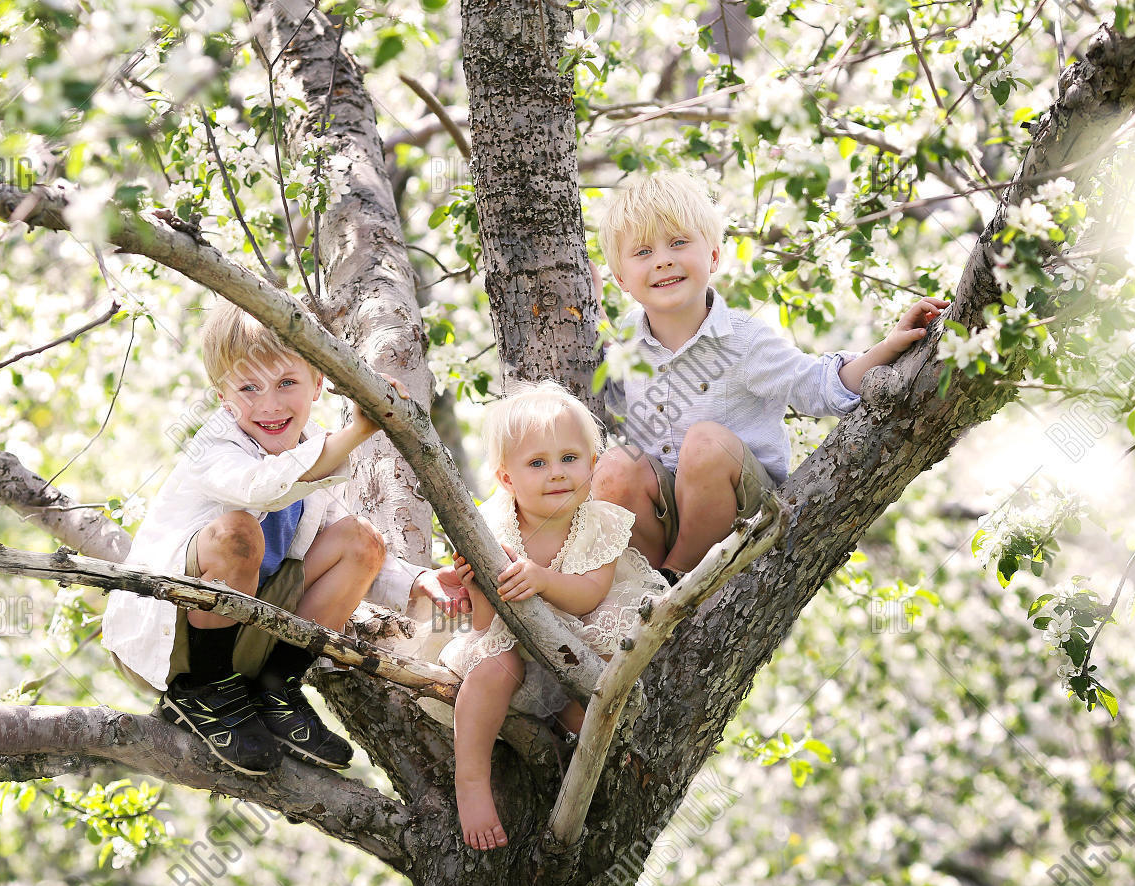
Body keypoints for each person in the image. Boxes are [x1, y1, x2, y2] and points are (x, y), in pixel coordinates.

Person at [102, 300, 464, 776]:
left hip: (245, 634)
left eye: (287, 383)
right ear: (222, 396)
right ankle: (206, 695)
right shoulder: (214, 445)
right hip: (178, 641)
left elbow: (343, 543)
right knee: (238, 533)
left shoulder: (311, 445)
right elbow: (265, 486)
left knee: (362, 541)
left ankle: (277, 687)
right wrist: (358, 430)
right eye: (248, 387)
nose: (269, 404)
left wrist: (421, 584)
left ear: (317, 384)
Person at [590, 169, 949, 581]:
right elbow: (605, 365)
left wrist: (887, 346)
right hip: (666, 510)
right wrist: (592, 304)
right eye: (642, 252)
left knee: (705, 443)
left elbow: (818, 385)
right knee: (616, 465)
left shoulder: (744, 340)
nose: (664, 259)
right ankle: (648, 587)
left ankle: (678, 577)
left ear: (713, 256)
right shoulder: (627, 348)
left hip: (737, 506)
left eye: (678, 243)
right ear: (621, 279)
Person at [435, 380, 667, 851]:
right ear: (506, 479)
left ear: (593, 466)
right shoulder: (492, 526)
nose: (557, 473)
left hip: (578, 643)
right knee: (492, 668)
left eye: (569, 459)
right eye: (537, 463)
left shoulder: (600, 523)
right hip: (513, 651)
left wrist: (540, 579)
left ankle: (563, 737)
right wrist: (479, 584)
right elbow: (483, 626)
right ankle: (472, 778)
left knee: (601, 702)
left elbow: (587, 597)